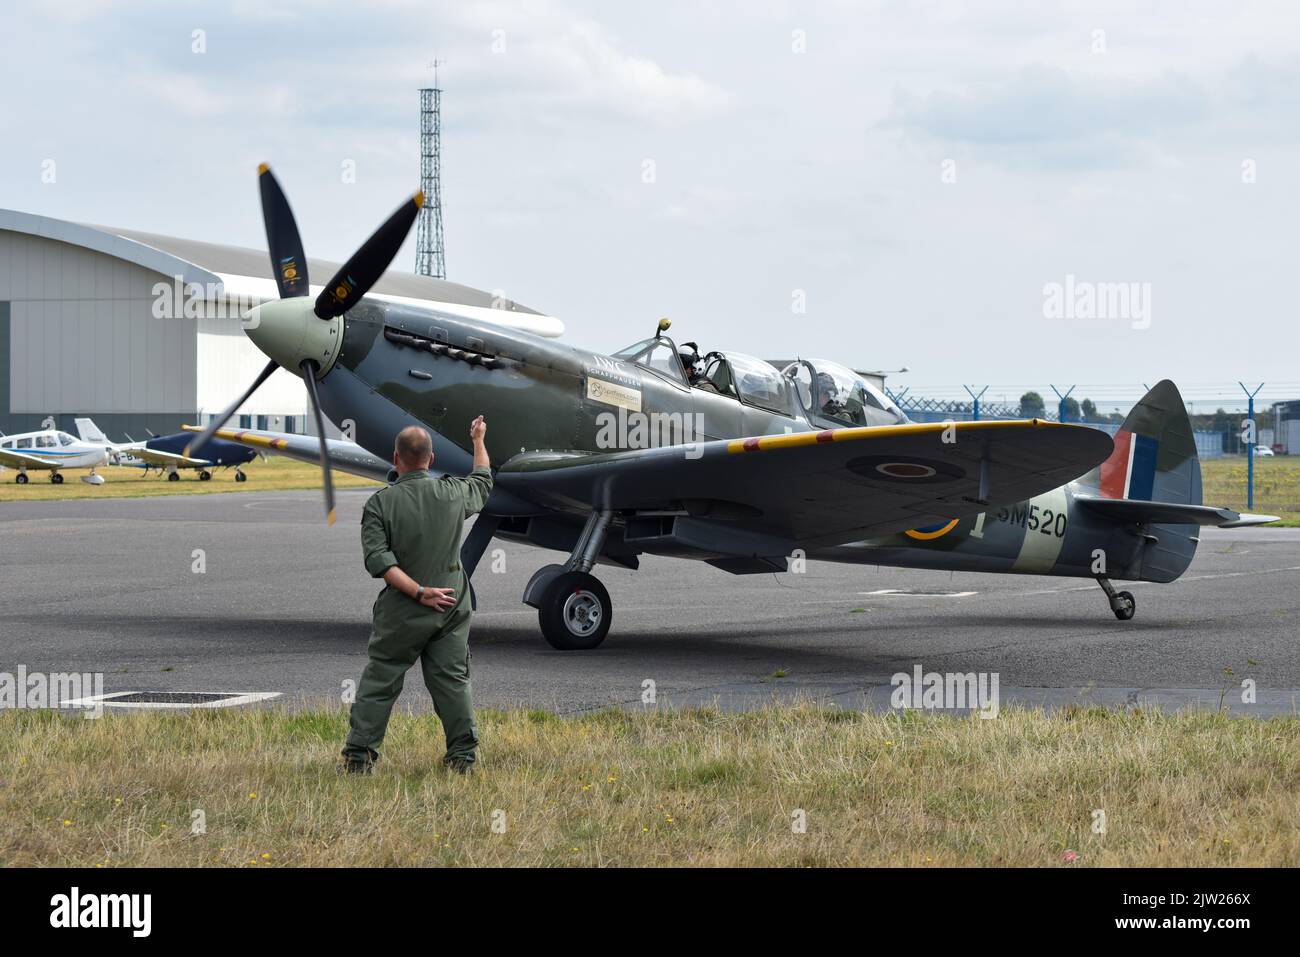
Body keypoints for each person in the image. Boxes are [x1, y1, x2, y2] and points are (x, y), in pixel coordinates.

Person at [341, 417, 492, 775]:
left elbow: (380, 563)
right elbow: (484, 479)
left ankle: (359, 760)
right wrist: (478, 440)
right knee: (453, 683)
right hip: (451, 604)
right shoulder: (454, 493)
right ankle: (463, 760)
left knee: (380, 683)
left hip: (404, 609)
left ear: (395, 458)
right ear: (432, 457)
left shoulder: (381, 504)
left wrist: (418, 592)